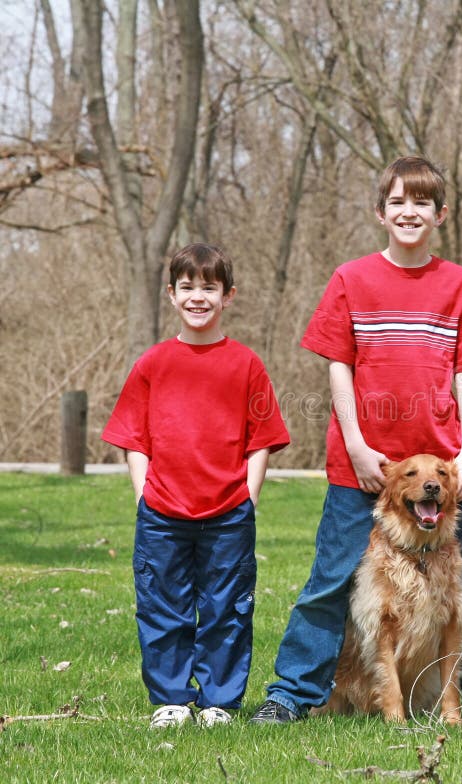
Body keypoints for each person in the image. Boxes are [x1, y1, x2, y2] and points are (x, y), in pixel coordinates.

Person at [251, 155, 462, 725]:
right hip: (364, 468)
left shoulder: (458, 284)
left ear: (441, 214)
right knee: (329, 582)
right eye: (398, 202)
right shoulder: (351, 279)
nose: (410, 211)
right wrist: (354, 441)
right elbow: (338, 365)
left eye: (421, 202)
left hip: (441, 466)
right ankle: (292, 694)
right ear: (381, 212)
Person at [102, 243, 290, 729]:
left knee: (227, 609)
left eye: (209, 287)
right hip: (162, 515)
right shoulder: (153, 363)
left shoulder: (246, 364)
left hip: (228, 514)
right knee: (163, 608)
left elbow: (262, 439)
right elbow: (132, 437)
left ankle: (219, 703)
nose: (198, 297)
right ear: (171, 294)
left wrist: (249, 496)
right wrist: (143, 493)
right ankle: (170, 699)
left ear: (229, 296)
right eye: (188, 287)